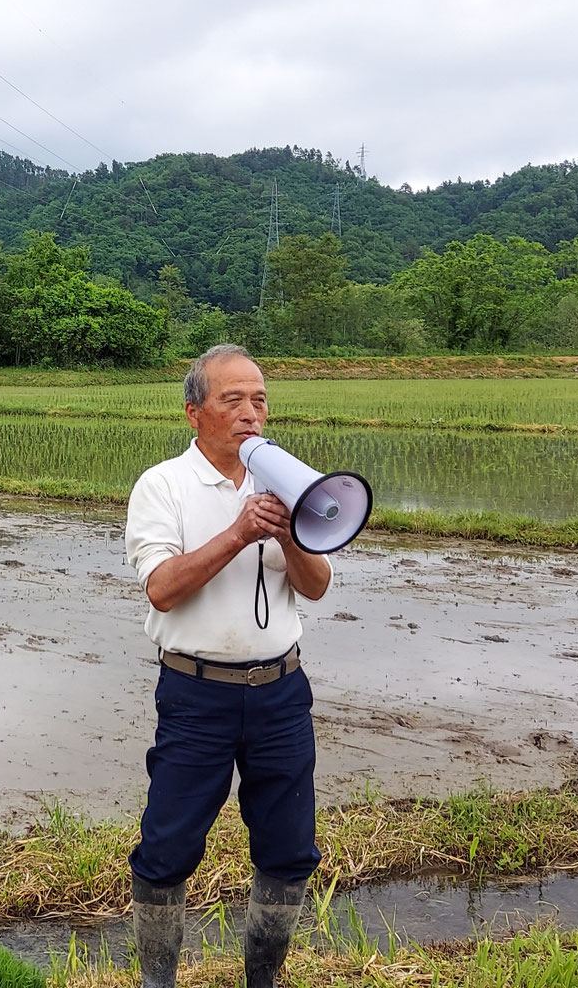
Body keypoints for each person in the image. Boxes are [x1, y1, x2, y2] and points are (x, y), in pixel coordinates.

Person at [123, 344, 333, 988]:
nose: (250, 413)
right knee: (166, 849)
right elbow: (163, 587)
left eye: (260, 399)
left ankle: (262, 981)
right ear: (194, 412)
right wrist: (240, 533)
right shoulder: (164, 486)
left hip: (280, 693)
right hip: (196, 694)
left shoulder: (287, 482)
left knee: (290, 849)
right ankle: (158, 980)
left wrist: (291, 536)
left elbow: (317, 585)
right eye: (232, 400)